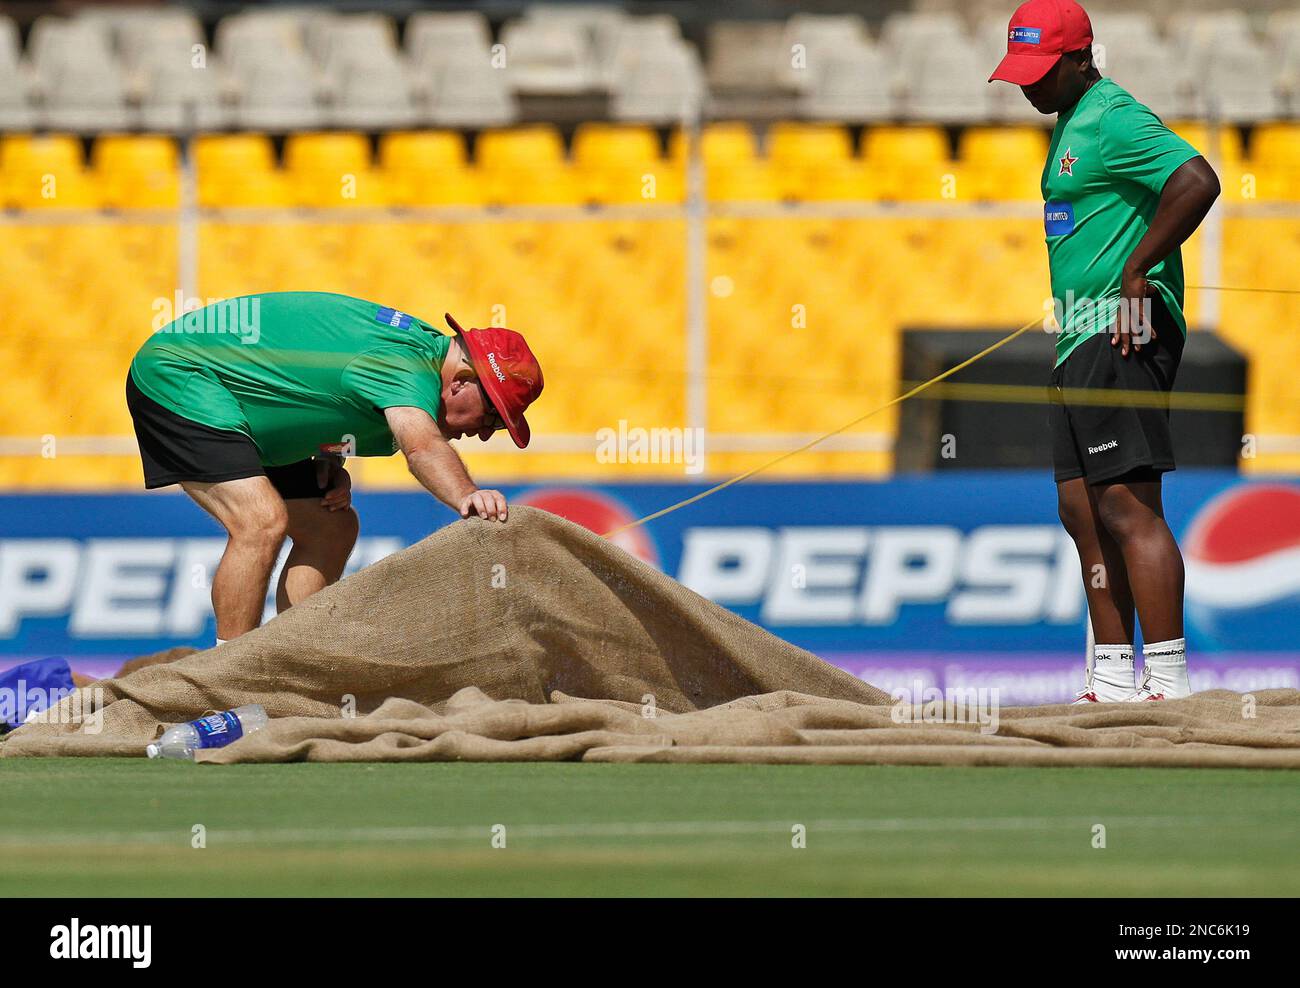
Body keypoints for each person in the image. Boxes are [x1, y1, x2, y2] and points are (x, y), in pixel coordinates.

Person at [989, 0, 1221, 701]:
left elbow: (1198, 181)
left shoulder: (1115, 116)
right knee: (1081, 512)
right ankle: (1115, 675)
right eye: (1019, 72)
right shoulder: (1069, 124)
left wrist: (1136, 273)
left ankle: (1170, 680)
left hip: (1122, 331)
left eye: (1040, 70)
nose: (1027, 84)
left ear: (1080, 59)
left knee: (1127, 507)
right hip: (1077, 335)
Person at [126, 292, 543, 645]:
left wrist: (328, 458)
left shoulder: (419, 355)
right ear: (461, 381)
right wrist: (467, 495)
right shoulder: (408, 366)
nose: (486, 434)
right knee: (259, 521)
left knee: (331, 527)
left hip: (238, 398)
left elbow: (320, 381)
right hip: (180, 376)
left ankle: (292, 658)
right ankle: (224, 684)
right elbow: (421, 446)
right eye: (492, 418)